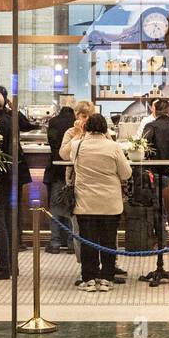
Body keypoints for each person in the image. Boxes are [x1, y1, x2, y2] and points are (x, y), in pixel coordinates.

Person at [60, 112, 131, 291]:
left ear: (86, 127)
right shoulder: (113, 147)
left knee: (87, 241)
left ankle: (89, 278)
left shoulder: (77, 145)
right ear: (105, 128)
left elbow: (64, 155)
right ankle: (107, 278)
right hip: (110, 203)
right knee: (108, 240)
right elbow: (126, 173)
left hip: (85, 202)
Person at [0, 89, 30, 282]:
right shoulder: (10, 119)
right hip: (12, 179)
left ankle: (3, 265)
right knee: (10, 219)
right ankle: (12, 264)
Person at [142, 99, 169, 248]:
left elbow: (143, 149)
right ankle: (162, 239)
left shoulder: (150, 126)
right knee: (160, 206)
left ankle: (161, 240)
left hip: (154, 173)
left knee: (158, 207)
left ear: (154, 112)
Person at [44, 97, 77, 253]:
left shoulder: (53, 122)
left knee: (56, 207)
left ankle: (55, 243)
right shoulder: (76, 125)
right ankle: (72, 244)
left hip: (56, 170)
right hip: (73, 171)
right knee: (72, 206)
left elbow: (51, 143)